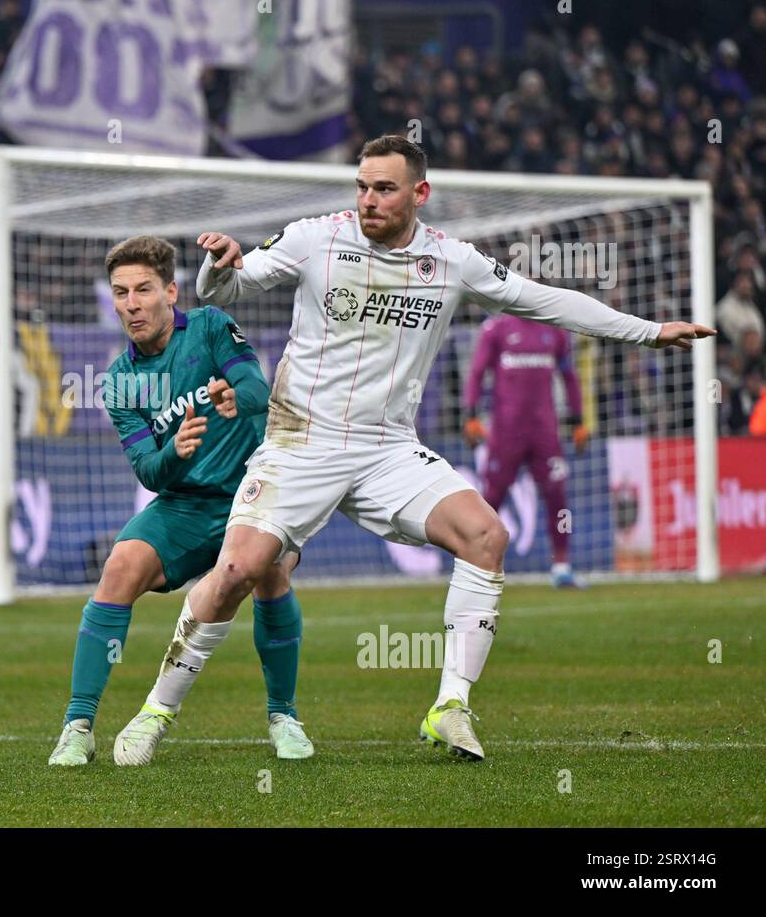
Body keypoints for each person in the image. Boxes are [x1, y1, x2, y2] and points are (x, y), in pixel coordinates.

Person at [114, 135, 713, 763]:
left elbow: (544, 301)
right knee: (235, 572)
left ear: (419, 193)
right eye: (362, 186)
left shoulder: (452, 261)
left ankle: (451, 706)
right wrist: (220, 264)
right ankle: (155, 712)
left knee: (487, 536)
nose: (368, 200)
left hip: (386, 450)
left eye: (384, 189)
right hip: (302, 441)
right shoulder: (315, 238)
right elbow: (223, 292)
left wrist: (647, 332)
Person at [49, 236, 311, 768]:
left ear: (170, 291)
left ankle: (284, 717)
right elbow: (149, 471)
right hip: (186, 505)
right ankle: (77, 726)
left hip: (251, 493)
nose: (132, 303)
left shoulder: (211, 326)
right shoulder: (121, 381)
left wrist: (236, 397)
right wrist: (174, 452)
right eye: (121, 293)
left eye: (144, 289)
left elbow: (258, 388)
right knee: (120, 565)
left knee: (272, 575)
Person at [463, 315, 588, 588]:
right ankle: (472, 565)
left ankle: (562, 566)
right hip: (506, 433)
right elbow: (477, 371)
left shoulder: (554, 331)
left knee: (557, 496)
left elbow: (569, 376)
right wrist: (470, 413)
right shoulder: (495, 327)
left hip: (545, 432)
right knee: (490, 500)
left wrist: (578, 420)